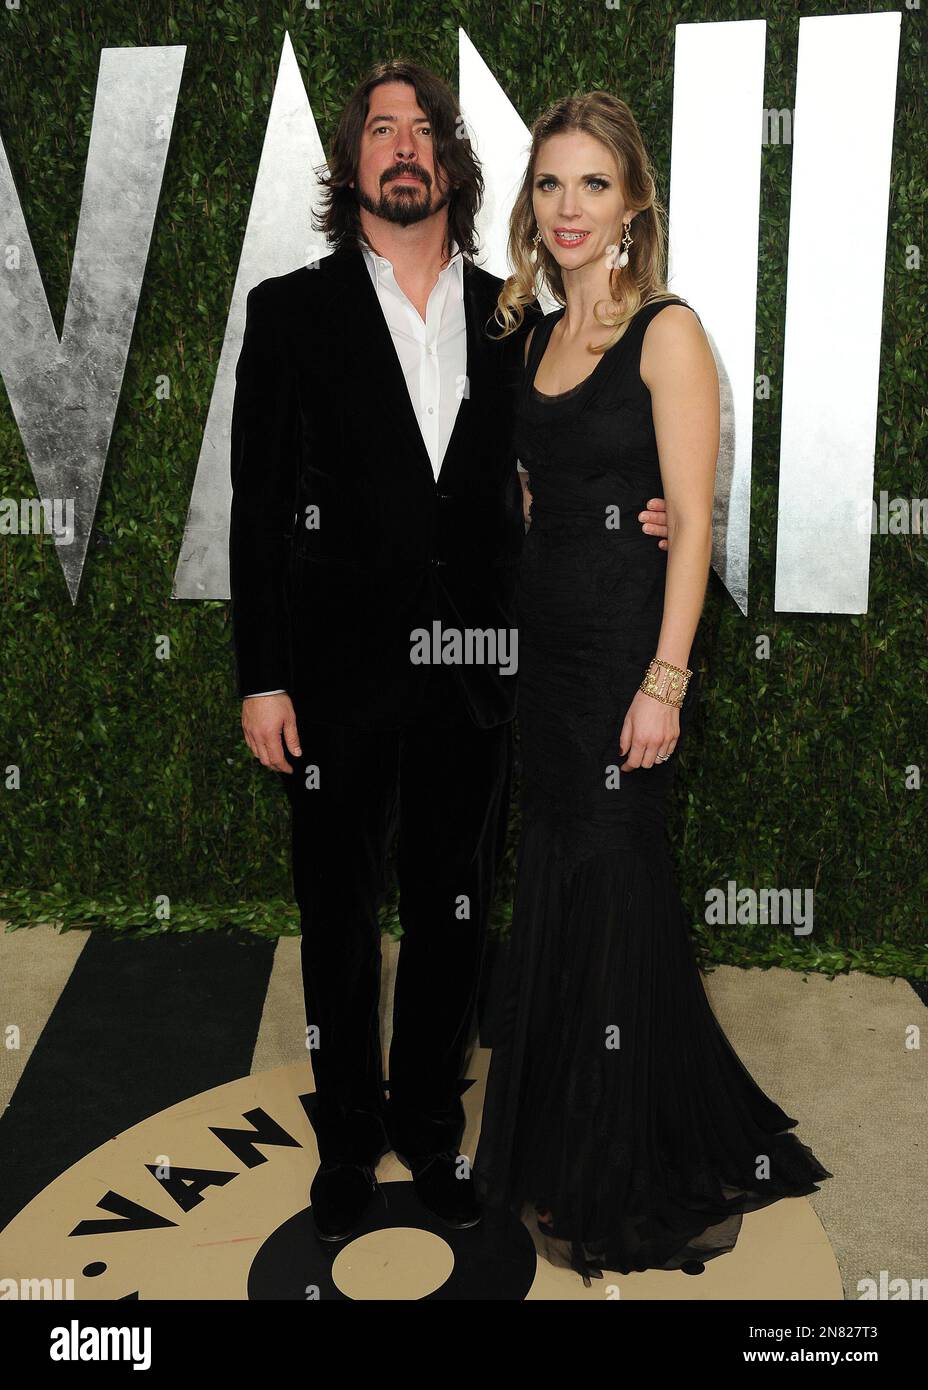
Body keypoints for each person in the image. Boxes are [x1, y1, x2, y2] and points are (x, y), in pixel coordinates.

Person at [228, 62, 672, 1245]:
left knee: (452, 907)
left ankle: (429, 1127)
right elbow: (256, 508)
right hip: (332, 676)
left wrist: (647, 508)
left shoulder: (510, 315)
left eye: (424, 130)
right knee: (334, 907)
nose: (404, 148)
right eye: (382, 130)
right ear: (352, 162)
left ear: (454, 166)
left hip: (476, 666)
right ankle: (345, 1141)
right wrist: (260, 674)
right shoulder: (288, 312)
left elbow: (572, 457)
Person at [472, 90, 832, 1283]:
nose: (567, 208)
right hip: (549, 660)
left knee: (618, 882)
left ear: (632, 205)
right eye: (549, 183)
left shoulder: (665, 331)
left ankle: (627, 1156)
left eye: (592, 185)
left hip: (629, 655)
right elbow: (536, 498)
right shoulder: (526, 332)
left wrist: (665, 681)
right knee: (561, 876)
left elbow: (692, 529)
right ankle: (566, 1127)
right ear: (530, 203)